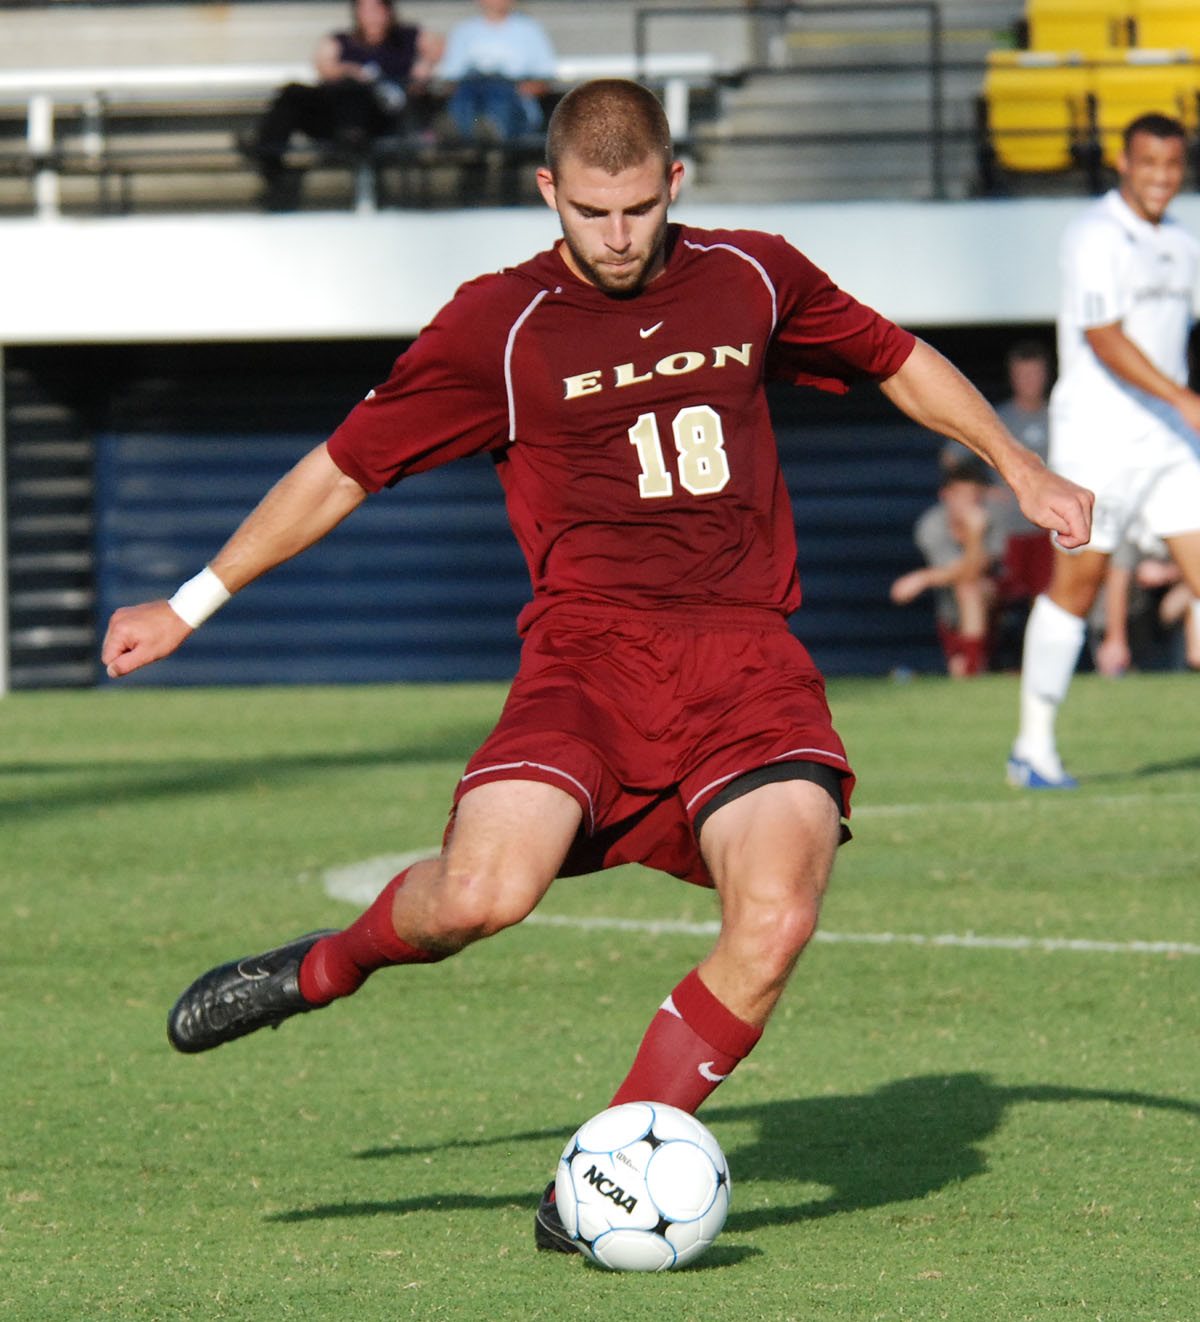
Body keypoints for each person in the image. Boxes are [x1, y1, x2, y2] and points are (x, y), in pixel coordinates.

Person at [101, 80, 1092, 1255]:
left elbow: (894, 355)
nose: (616, 238)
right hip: (587, 657)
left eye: (635, 209)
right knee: (481, 895)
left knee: (775, 917)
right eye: (589, 213)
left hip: (747, 660)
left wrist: (1017, 462)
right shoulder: (497, 325)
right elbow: (342, 469)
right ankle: (323, 965)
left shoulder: (756, 273)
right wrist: (190, 600)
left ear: (675, 184)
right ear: (548, 194)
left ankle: (603, 1178)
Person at [1008, 112, 1200, 789]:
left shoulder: (1180, 241)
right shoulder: (1095, 234)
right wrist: (1184, 398)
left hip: (1171, 442)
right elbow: (1104, 336)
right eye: (1148, 163)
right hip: (1099, 434)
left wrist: (1178, 407)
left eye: (1172, 165)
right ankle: (1032, 747)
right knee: (1079, 584)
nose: (1160, 177)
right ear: (1124, 162)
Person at [240, 0, 443, 210]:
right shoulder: (343, 41)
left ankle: (352, 135)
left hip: (381, 117)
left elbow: (437, 48)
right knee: (294, 93)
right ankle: (269, 158)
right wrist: (348, 70)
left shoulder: (406, 38)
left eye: (376, 9)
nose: (370, 16)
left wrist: (424, 67)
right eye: (364, 9)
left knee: (354, 89)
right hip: (338, 116)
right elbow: (324, 66)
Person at [890, 456, 1007, 676]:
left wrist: (923, 578)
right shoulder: (932, 525)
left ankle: (972, 667)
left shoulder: (992, 520)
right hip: (952, 611)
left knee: (969, 589)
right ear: (946, 495)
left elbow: (974, 572)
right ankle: (969, 663)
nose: (968, 504)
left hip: (1000, 603)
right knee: (965, 591)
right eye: (961, 496)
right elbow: (956, 571)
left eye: (974, 497)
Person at [437, 0, 557, 142]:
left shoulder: (530, 30)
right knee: (471, 87)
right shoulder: (464, 31)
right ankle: (465, 129)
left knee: (498, 91)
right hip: (472, 89)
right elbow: (451, 78)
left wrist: (517, 91)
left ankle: (487, 130)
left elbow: (543, 79)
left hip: (511, 94)